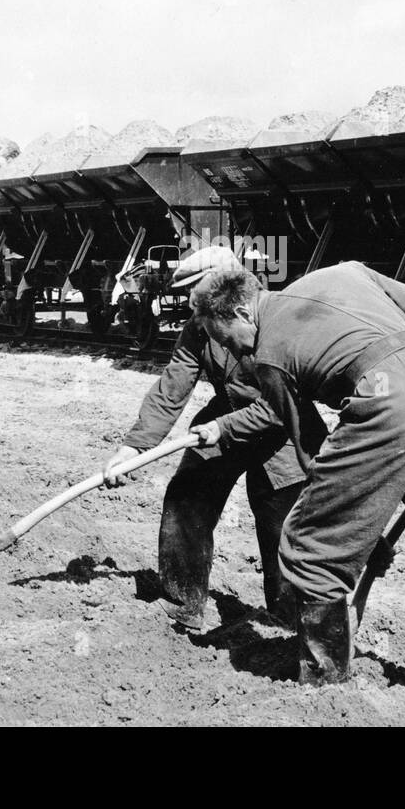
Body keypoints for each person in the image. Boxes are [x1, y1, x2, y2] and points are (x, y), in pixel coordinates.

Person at [188, 260, 405, 719]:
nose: (232, 352)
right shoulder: (346, 273)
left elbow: (310, 450)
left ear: (240, 313)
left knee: (309, 544)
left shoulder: (269, 357)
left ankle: (325, 694)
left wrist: (351, 524)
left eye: (223, 339)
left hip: (389, 402)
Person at [102, 246, 305, 632]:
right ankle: (183, 599)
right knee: (187, 494)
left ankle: (288, 624)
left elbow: (281, 404)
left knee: (280, 526)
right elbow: (172, 386)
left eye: (198, 296)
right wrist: (134, 447)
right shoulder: (199, 327)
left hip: (280, 428)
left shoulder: (269, 318)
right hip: (226, 416)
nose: (194, 309)